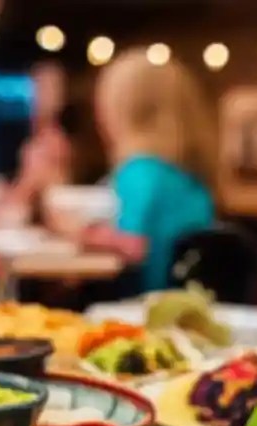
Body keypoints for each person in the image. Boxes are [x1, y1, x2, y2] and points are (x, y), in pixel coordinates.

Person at [82, 49, 218, 293]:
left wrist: (81, 234)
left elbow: (133, 246)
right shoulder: (190, 177)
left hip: (142, 306)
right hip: (186, 304)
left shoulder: (138, 172)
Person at [10, 62, 73, 207]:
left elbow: (48, 192)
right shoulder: (38, 136)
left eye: (46, 89)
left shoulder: (57, 141)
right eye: (37, 88)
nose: (37, 96)